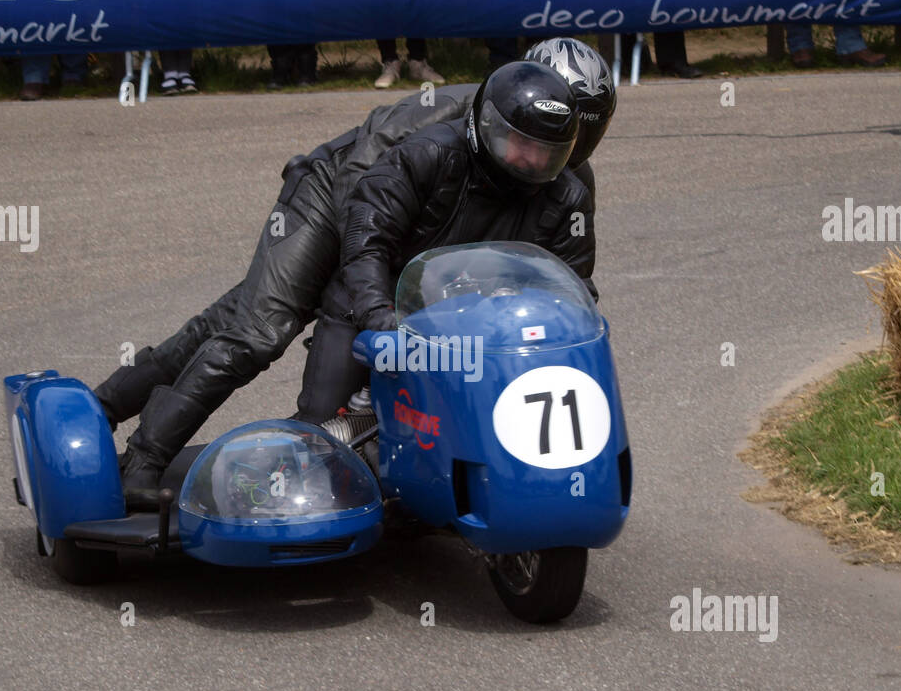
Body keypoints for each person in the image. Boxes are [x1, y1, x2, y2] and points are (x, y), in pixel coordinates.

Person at [95, 40, 616, 502]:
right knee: (260, 329)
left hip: (396, 230)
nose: (569, 139)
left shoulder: (560, 172)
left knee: (233, 316)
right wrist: (360, 293)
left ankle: (112, 399)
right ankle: (144, 460)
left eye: (585, 127)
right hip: (336, 197)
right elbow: (366, 196)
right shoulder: (448, 119)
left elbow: (554, 274)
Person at [293, 62, 596, 422]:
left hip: (486, 335)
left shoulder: (568, 198)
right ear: (488, 127)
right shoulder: (426, 155)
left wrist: (573, 332)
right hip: (379, 311)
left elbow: (572, 288)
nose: (532, 160)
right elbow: (366, 241)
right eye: (522, 143)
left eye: (546, 150)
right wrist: (379, 316)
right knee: (323, 421)